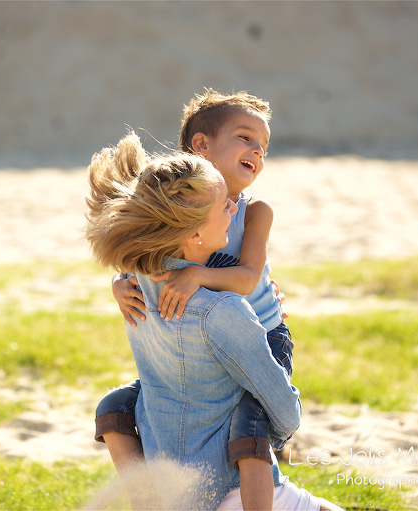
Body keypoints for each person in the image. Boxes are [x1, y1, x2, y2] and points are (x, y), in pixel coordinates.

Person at [85, 131, 341, 510]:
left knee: (115, 404)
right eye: (224, 206)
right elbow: (285, 412)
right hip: (232, 489)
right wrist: (274, 430)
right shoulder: (221, 311)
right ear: (195, 234)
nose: (234, 211)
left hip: (172, 485)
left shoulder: (134, 291)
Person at [99, 89, 293, 508]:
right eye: (245, 138)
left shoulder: (255, 211)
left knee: (250, 426)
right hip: (194, 347)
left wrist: (199, 275)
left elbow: (246, 279)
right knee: (115, 408)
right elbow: (139, 241)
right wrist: (119, 284)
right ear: (201, 146)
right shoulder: (174, 196)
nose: (257, 151)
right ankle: (147, 501)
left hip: (261, 337)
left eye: (264, 146)